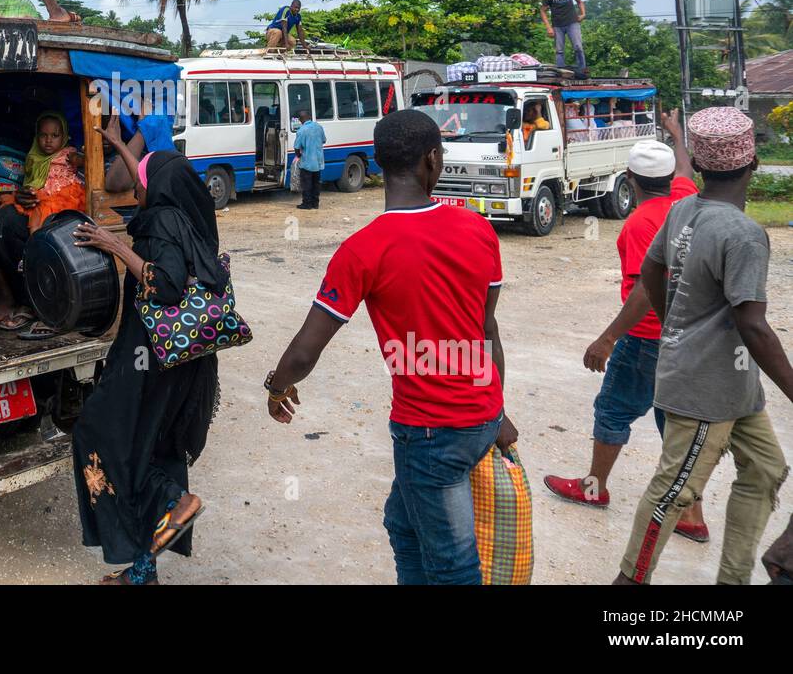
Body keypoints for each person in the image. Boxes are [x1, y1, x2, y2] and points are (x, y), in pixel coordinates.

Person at [265, 109, 518, 585]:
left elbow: (305, 351)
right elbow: (488, 330)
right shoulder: (478, 229)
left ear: (378, 166)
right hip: (480, 417)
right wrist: (498, 411)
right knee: (403, 525)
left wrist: (276, 387)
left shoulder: (363, 248)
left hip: (431, 431)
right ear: (433, 160)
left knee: (453, 564)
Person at [613, 107, 793, 585]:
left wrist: (674, 320)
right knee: (676, 489)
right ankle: (630, 580)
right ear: (752, 163)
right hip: (704, 388)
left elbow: (652, 269)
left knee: (765, 470)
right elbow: (752, 325)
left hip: (734, 384)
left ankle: (732, 581)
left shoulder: (683, 208)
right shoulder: (743, 233)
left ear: (699, 162)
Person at [543, 110, 709, 540]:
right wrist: (676, 134)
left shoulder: (641, 222)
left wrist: (608, 337)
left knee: (614, 410)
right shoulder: (686, 199)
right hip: (691, 336)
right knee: (674, 422)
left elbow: (645, 290)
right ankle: (690, 515)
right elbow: (687, 168)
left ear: (630, 179)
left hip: (648, 338)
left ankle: (594, 488)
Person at [71, 122, 221, 585]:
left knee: (98, 434)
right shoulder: (191, 216)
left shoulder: (159, 221)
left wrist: (117, 245)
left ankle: (176, 502)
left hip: (147, 360)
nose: (138, 188)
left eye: (141, 183)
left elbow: (167, 286)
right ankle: (141, 572)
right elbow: (153, 173)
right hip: (184, 359)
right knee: (153, 449)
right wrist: (118, 144)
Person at [0, 112, 85, 337]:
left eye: (54, 135)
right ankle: (6, 296)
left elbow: (84, 162)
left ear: (65, 137)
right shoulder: (33, 158)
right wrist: (25, 194)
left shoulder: (68, 155)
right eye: (43, 135)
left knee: (19, 227)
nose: (48, 140)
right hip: (36, 203)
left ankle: (31, 299)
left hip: (59, 210)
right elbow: (30, 185)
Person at [540, 0, 586, 77]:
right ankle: (561, 72)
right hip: (557, 25)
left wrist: (583, 14)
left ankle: (583, 69)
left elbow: (579, 1)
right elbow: (542, 10)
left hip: (572, 22)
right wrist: (548, 27)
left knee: (578, 46)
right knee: (559, 50)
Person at [293, 108, 326, 210]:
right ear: (310, 117)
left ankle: (307, 204)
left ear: (300, 120)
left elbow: (297, 147)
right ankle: (315, 204)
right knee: (316, 183)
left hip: (307, 162)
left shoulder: (301, 131)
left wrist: (298, 156)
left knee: (306, 184)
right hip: (318, 161)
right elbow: (324, 140)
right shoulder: (319, 127)